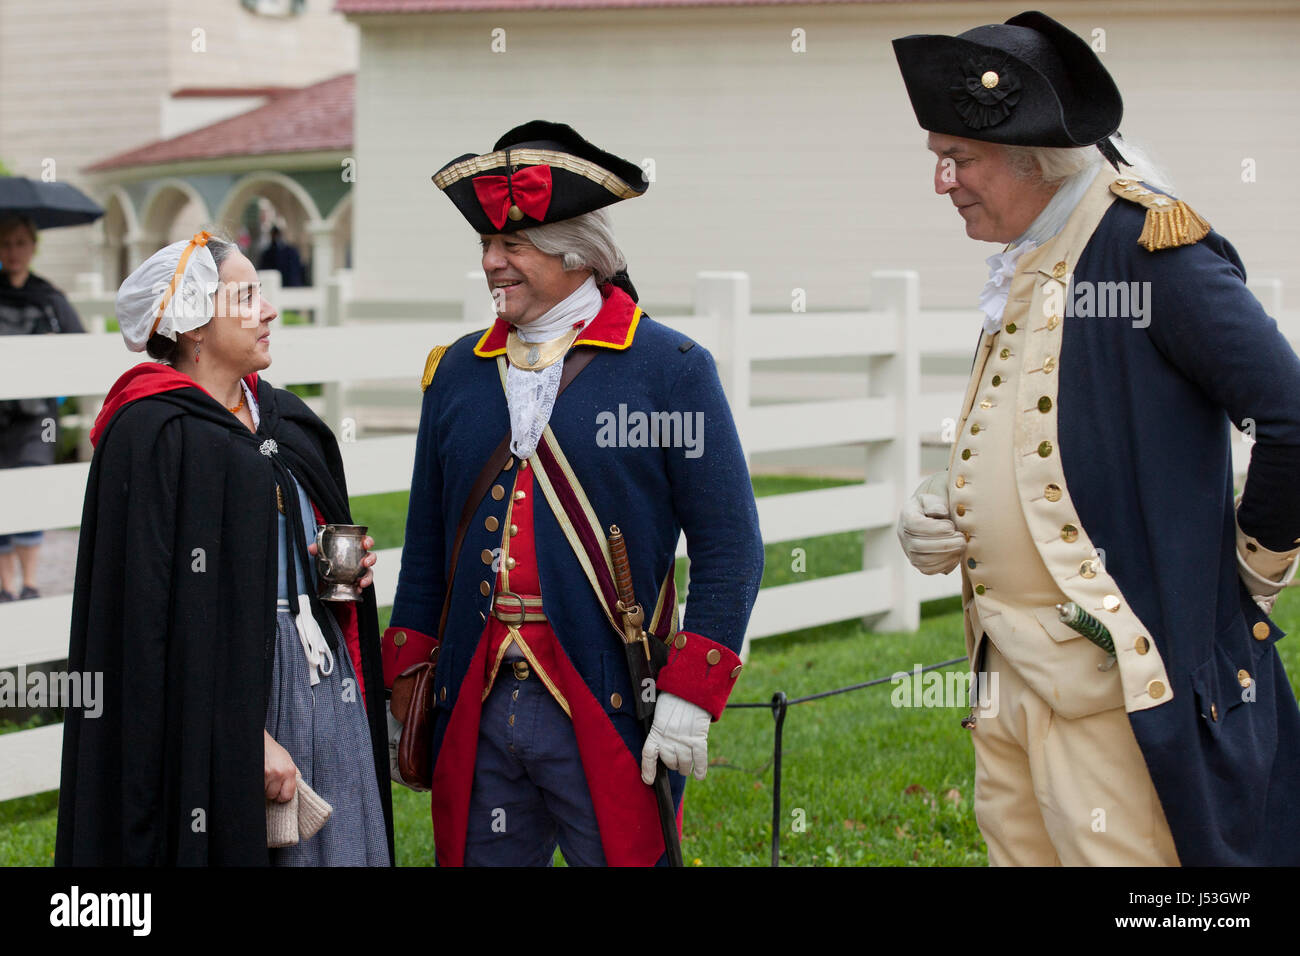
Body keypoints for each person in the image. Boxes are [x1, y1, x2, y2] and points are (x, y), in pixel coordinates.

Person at [892, 11, 1300, 866]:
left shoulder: (1150, 251)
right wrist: (946, 505)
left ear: (1033, 161)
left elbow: (1291, 417)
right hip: (1009, 677)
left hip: (1116, 692)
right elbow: (1043, 437)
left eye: (958, 159)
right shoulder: (1031, 257)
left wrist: (1246, 579)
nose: (942, 182)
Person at [383, 121, 764, 866]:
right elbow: (428, 542)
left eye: (512, 245)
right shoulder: (456, 372)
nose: (492, 263)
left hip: (608, 693)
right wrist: (408, 677)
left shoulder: (669, 368)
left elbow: (730, 543)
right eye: (486, 246)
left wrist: (690, 690)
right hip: (477, 695)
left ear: (576, 251)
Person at [55, 230, 393, 865]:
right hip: (229, 695)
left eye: (262, 293)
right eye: (245, 297)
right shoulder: (154, 434)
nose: (268, 310)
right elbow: (151, 620)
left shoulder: (285, 421)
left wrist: (326, 568)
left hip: (322, 681)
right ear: (192, 326)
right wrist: (245, 734)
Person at [0, 213, 84, 601]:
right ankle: (5, 586)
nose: (13, 251)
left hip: (36, 419)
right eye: (6, 243)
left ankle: (31, 583)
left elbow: (79, 349)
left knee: (30, 492)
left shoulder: (50, 299)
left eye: (20, 243)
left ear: (32, 247)